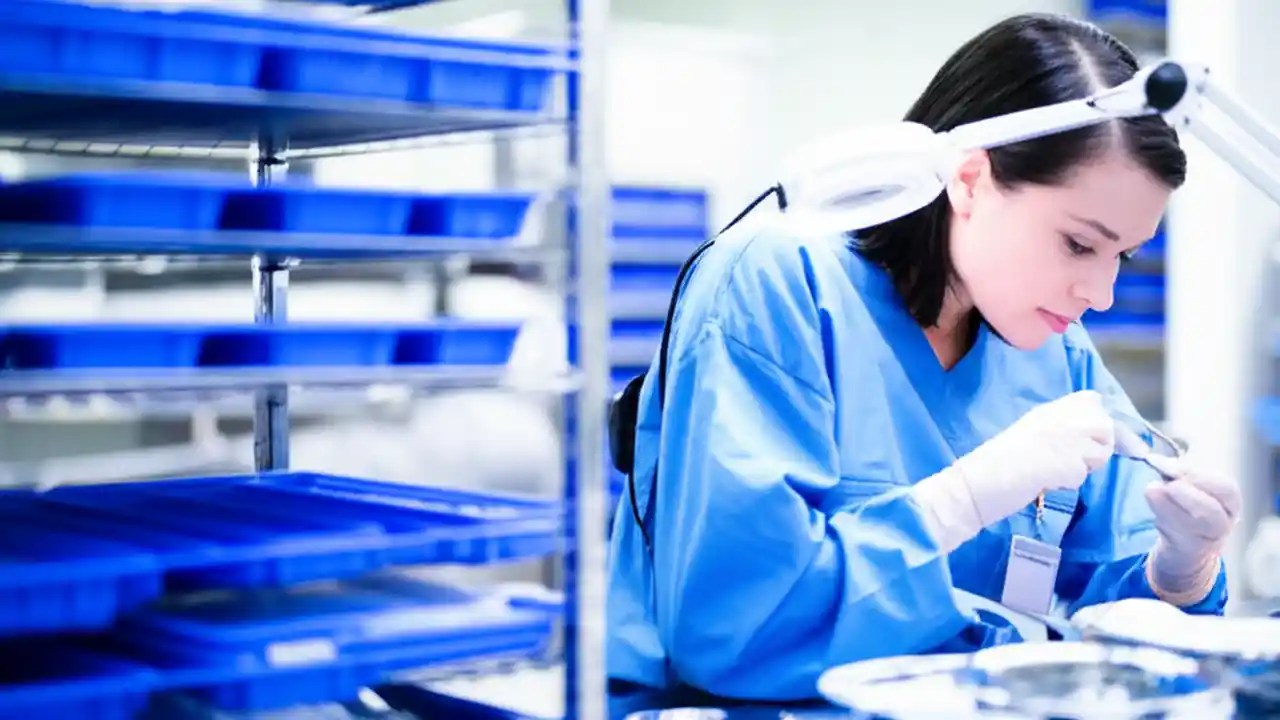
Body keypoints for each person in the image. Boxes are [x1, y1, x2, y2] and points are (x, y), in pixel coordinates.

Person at [606, 11, 1244, 707]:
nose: (1101, 294)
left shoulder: (1053, 349)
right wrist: (959, 501)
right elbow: (732, 633)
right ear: (969, 180)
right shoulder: (776, 287)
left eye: (1121, 255)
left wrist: (1179, 569)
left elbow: (1115, 618)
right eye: (1078, 244)